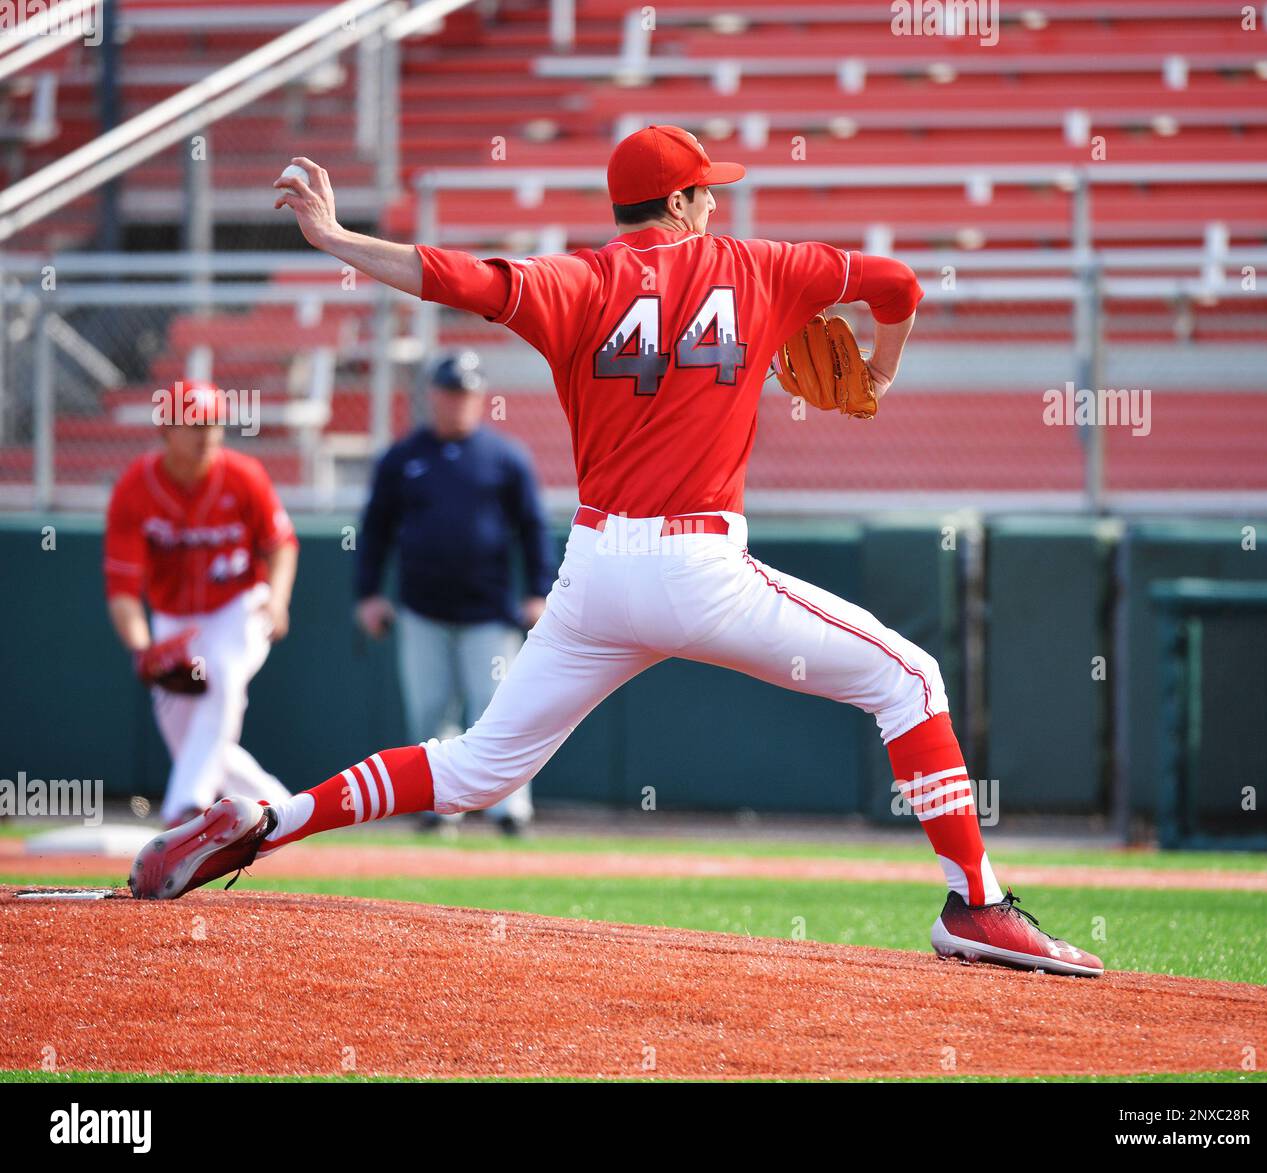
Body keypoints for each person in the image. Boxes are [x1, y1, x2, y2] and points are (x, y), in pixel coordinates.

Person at [130, 128, 1102, 978]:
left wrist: (337, 240)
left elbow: (454, 277)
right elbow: (899, 285)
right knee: (912, 679)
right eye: (705, 189)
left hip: (594, 573)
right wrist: (878, 371)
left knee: (475, 770)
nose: (717, 200)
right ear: (677, 202)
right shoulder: (759, 265)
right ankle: (974, 904)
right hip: (697, 568)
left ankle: (271, 820)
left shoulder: (577, 279)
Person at [354, 350, 553, 835]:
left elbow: (532, 528)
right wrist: (368, 594)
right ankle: (439, 807)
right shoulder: (404, 457)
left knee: (496, 709)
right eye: (449, 392)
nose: (458, 402)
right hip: (423, 609)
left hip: (489, 611)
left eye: (466, 392)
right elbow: (375, 529)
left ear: (479, 397)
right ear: (433, 396)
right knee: (429, 710)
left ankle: (509, 810)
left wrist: (539, 591)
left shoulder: (504, 457)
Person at [106, 380, 298, 828]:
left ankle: (183, 810)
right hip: (173, 616)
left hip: (240, 605)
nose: (206, 435)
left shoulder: (243, 475)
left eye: (213, 424)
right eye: (194, 424)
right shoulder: (137, 486)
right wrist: (143, 648)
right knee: (194, 737)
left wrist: (279, 600)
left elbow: (281, 543)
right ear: (167, 429)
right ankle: (285, 809)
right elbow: (122, 589)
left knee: (224, 680)